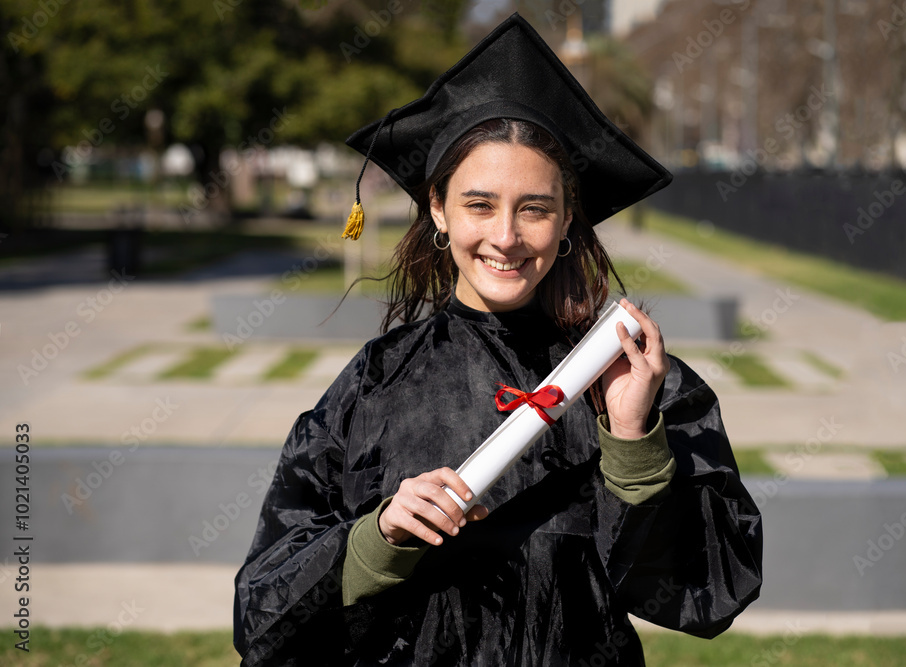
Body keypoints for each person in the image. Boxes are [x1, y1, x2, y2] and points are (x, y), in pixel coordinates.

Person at [234, 14, 762, 667]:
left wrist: (633, 444)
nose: (506, 236)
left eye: (534, 208)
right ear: (438, 208)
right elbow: (261, 613)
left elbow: (713, 591)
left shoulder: (635, 381)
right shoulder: (375, 383)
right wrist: (379, 537)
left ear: (568, 216)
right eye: (480, 204)